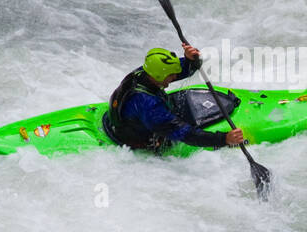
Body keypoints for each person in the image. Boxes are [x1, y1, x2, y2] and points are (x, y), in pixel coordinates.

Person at [103, 44, 246, 152]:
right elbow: (185, 134)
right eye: (171, 75)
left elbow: (176, 70)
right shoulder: (150, 106)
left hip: (127, 122)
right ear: (159, 76)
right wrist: (224, 139)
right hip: (139, 138)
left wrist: (190, 61)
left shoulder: (145, 72)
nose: (175, 77)